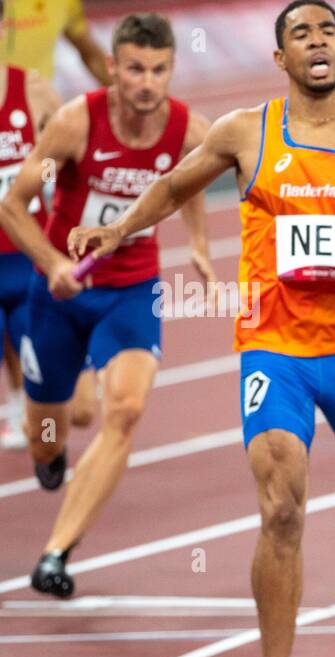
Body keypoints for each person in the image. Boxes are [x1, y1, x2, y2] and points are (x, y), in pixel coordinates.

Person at [68, 0, 335, 657]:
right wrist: (116, 229)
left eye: (327, 31)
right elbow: (178, 185)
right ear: (280, 59)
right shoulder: (246, 132)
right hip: (272, 348)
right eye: (300, 34)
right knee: (281, 505)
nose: (316, 42)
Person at [0, 12, 214, 596]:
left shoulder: (187, 129)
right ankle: (50, 454)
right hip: (60, 296)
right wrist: (54, 264)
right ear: (112, 68)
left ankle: (56, 553)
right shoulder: (74, 124)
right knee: (56, 429)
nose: (147, 83)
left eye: (159, 70)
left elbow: (190, 178)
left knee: (124, 410)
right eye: (136, 70)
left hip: (130, 292)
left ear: (171, 70)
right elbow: (15, 203)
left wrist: (197, 242)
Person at [0, 0, 108, 445]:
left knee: (79, 411)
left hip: (33, 262)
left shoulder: (38, 91)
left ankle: (41, 426)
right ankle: (19, 405)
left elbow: (70, 166)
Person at [0, 8, 62, 449]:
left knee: (41, 365)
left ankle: (34, 416)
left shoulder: (35, 90)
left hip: (28, 256)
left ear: (5, 27)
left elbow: (77, 146)